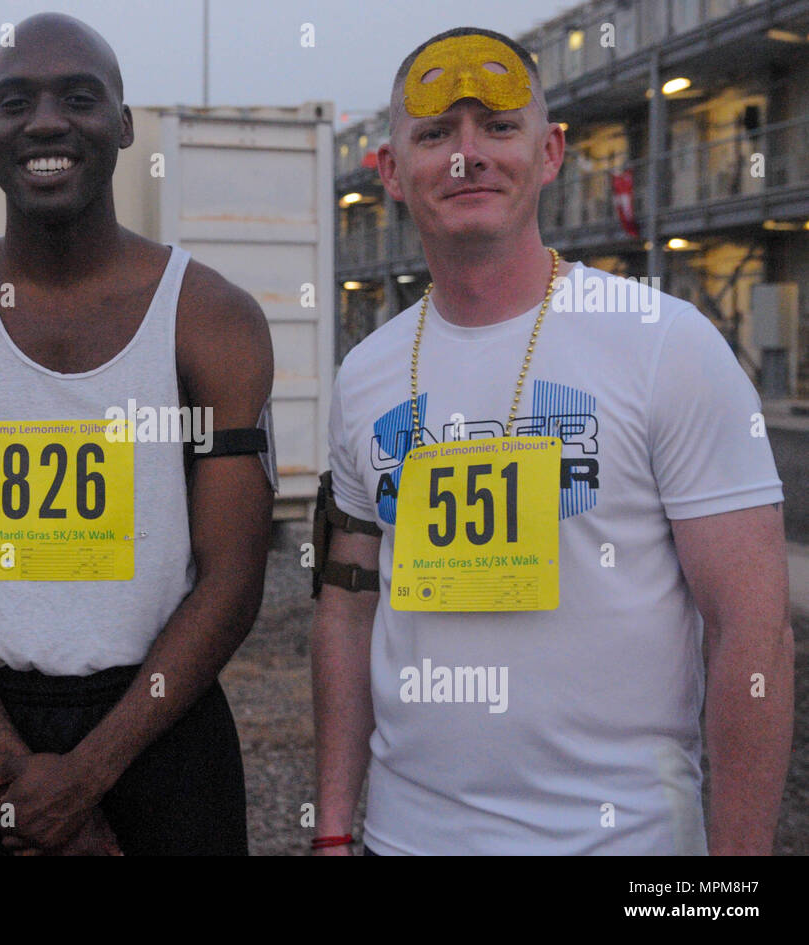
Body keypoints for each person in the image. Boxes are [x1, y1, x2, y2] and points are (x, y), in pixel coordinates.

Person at [311, 27, 792, 855]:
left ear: (550, 151)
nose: (467, 156)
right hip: (405, 838)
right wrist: (331, 829)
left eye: (498, 126)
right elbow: (349, 608)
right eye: (434, 134)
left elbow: (753, 631)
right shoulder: (366, 374)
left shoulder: (664, 344)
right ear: (389, 170)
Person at [0, 13, 276, 855]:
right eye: (15, 102)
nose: (46, 122)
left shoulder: (213, 317)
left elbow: (233, 575)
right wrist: (21, 769)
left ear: (124, 125)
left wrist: (86, 777)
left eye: (79, 98)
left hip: (166, 718)